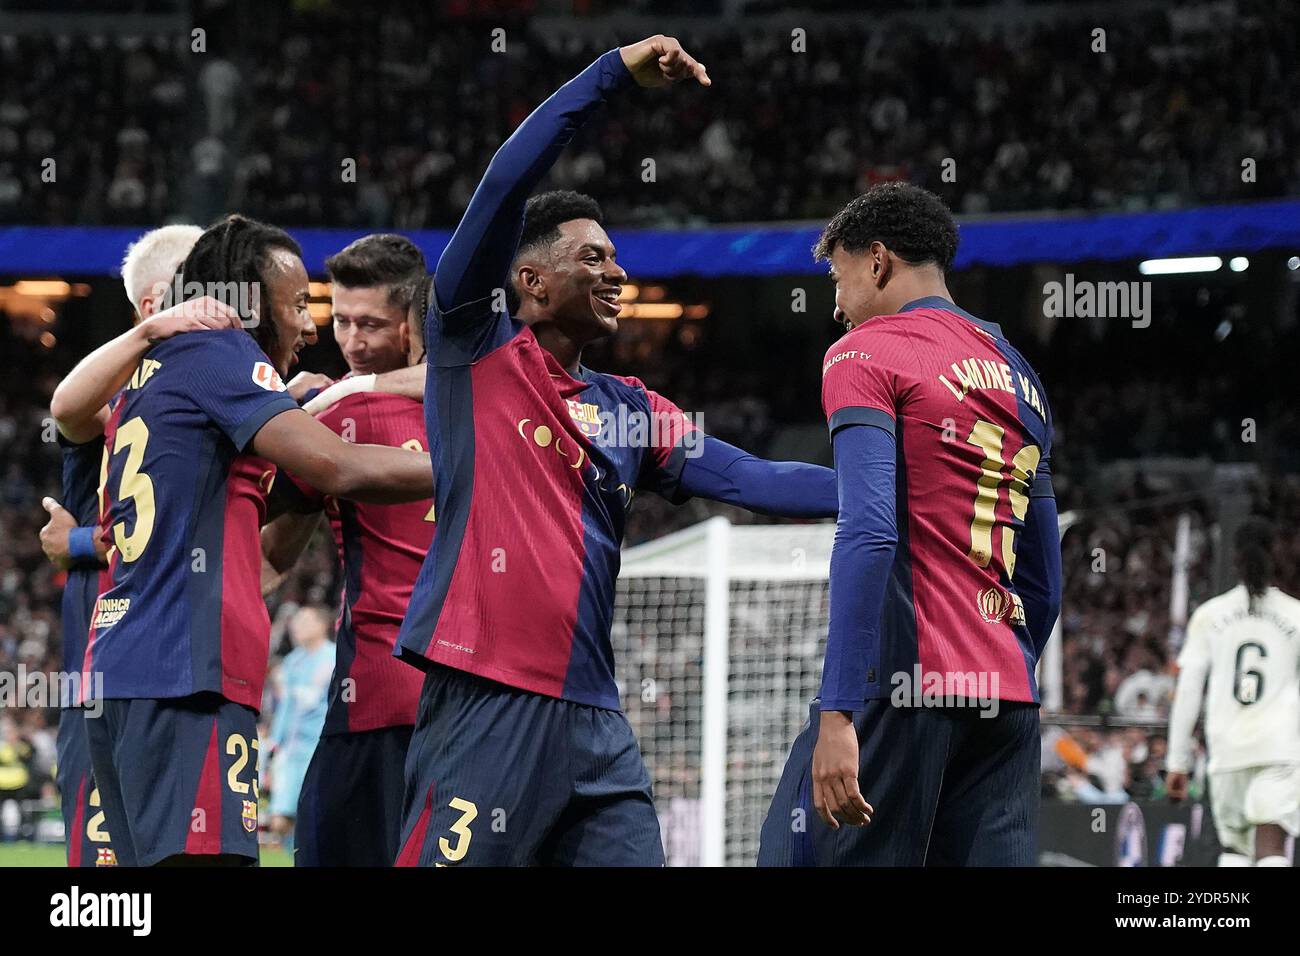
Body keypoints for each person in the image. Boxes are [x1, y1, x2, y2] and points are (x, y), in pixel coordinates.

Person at [364, 35, 839, 867]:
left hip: (596, 724)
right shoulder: (473, 349)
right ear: (532, 282)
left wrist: (893, 486)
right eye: (594, 257)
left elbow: (752, 475)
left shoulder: (630, 412)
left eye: (617, 256)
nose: (618, 272)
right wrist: (612, 75)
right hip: (487, 699)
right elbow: (508, 178)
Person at [50, 214, 433, 866]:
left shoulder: (148, 372)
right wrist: (480, 463)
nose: (310, 328)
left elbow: (69, 411)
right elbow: (340, 467)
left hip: (119, 672)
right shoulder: (224, 353)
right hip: (187, 679)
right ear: (245, 306)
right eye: (296, 305)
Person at [759, 182, 1062, 866]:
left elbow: (869, 530)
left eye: (837, 279)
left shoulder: (868, 352)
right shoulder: (1020, 374)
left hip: (902, 684)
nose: (836, 306)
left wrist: (838, 710)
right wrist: (1007, 668)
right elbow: (1043, 577)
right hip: (1007, 701)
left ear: (876, 261)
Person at [262, 234, 432, 865]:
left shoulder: (339, 409)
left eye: (371, 324)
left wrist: (342, 395)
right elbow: (271, 555)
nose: (352, 341)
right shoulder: (481, 401)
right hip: (380, 692)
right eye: (342, 320)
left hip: (428, 703)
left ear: (415, 322)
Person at [39, 223, 203, 867]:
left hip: (186, 678)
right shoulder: (116, 401)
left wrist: (81, 541)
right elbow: (69, 413)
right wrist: (85, 541)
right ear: (153, 302)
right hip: (104, 678)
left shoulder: (216, 397)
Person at [1167, 517, 1300, 867]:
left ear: (1235, 557)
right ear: (1276, 555)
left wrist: (1176, 762)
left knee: (1235, 852)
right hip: (1279, 747)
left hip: (1226, 748)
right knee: (1271, 848)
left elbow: (1189, 689)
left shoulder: (1210, 615)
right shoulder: (1296, 616)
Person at [266, 606, 335, 851]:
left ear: (322, 625)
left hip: (317, 749)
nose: (297, 626)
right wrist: (274, 742)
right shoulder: (292, 662)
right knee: (280, 820)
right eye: (295, 622)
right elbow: (284, 708)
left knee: (312, 816)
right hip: (290, 751)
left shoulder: (334, 658)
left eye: (305, 621)